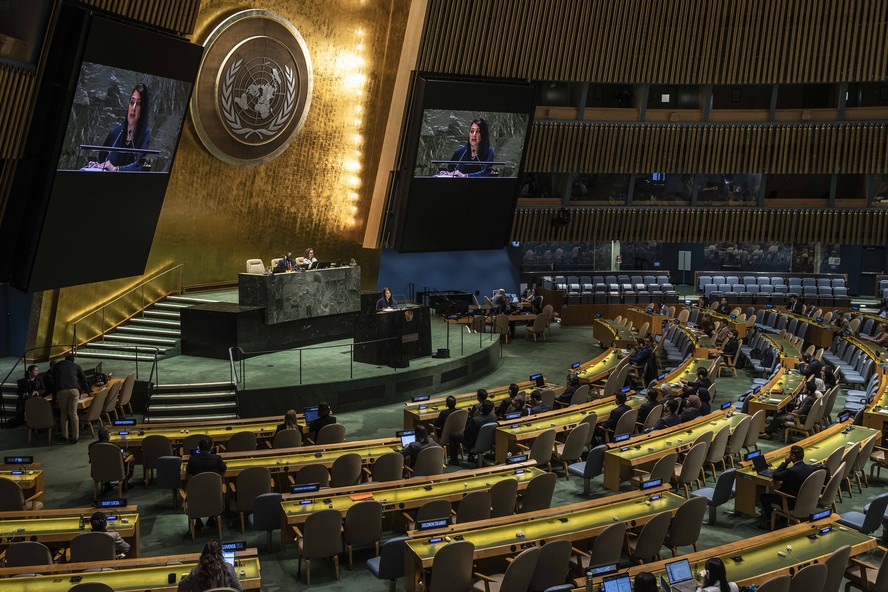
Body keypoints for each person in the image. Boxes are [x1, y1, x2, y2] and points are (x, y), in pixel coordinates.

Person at [87, 83, 151, 172]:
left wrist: (115, 169)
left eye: (138, 104)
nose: (133, 108)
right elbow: (101, 159)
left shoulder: (146, 135)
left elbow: (140, 165)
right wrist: (96, 165)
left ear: (143, 109)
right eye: (132, 102)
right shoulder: (116, 133)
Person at [759, 445, 821, 526]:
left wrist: (785, 463)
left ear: (793, 456)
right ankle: (781, 519)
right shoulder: (809, 468)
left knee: (764, 497)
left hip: (791, 502)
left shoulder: (792, 471)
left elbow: (776, 475)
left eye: (789, 454)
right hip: (805, 501)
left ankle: (774, 523)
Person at [185, 439, 227, 533]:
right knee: (213, 491)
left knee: (198, 493)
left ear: (198, 448)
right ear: (212, 448)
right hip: (214, 494)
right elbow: (223, 468)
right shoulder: (217, 458)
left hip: (196, 494)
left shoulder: (192, 459)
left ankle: (198, 520)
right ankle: (212, 518)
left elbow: (188, 471)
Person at [178, 540, 243, 592]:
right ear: (220, 554)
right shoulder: (229, 568)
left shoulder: (195, 572)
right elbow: (240, 589)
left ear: (203, 554)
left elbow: (181, 587)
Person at [53, 355, 89, 444]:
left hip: (61, 390)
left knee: (63, 413)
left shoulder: (57, 366)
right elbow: (84, 380)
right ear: (72, 361)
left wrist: (54, 396)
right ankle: (75, 438)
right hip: (74, 390)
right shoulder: (76, 366)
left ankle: (64, 436)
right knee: (73, 413)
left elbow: (55, 381)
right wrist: (88, 392)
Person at [449, 399, 496, 464]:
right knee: (474, 435)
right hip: (488, 442)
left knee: (452, 436)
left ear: (481, 408)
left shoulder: (475, 420)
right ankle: (470, 456)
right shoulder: (494, 417)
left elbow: (466, 434)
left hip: (473, 444)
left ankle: (454, 460)